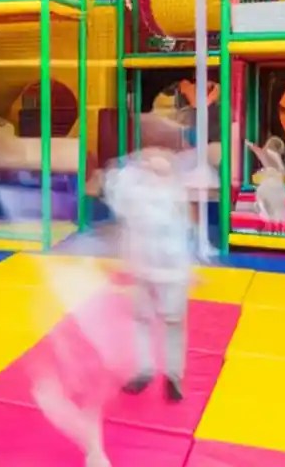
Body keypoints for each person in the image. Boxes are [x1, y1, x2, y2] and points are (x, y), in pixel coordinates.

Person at [105, 146, 194, 403]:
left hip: (172, 269)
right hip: (144, 266)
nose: (156, 165)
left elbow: (183, 229)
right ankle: (144, 369)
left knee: (173, 321)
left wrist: (190, 267)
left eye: (162, 161)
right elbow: (117, 194)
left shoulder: (175, 192)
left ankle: (173, 375)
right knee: (142, 318)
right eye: (150, 161)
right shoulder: (136, 189)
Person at [247, 136, 285, 233]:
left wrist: (249, 144)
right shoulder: (279, 161)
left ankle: (264, 219)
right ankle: (277, 230)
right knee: (277, 212)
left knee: (262, 201)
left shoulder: (269, 153)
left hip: (269, 185)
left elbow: (259, 152)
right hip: (279, 188)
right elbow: (281, 172)